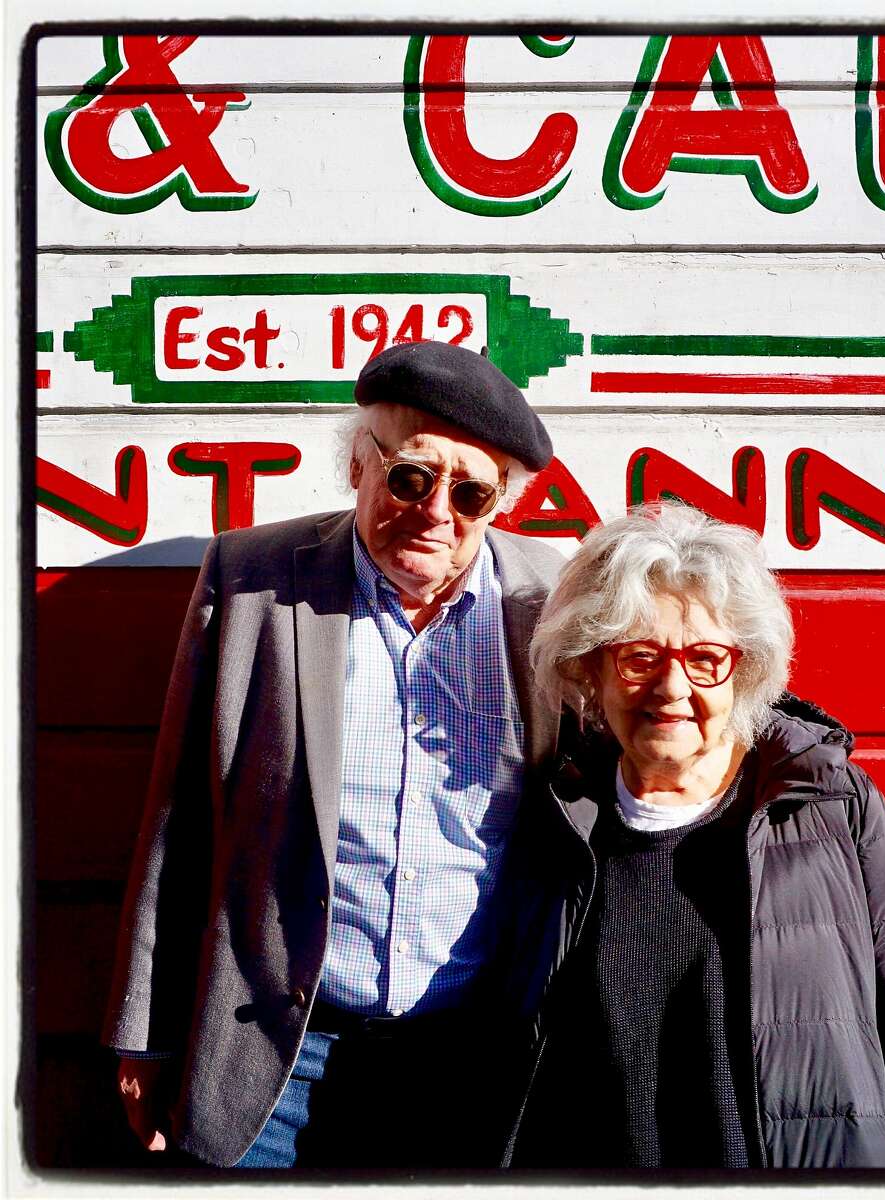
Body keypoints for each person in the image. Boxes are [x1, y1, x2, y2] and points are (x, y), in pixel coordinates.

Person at [103, 340, 565, 1168]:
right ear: (359, 461)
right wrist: (146, 1026)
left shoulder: (549, 595)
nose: (436, 512)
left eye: (472, 493)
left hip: (474, 1057)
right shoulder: (251, 577)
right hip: (277, 1053)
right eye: (413, 477)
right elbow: (180, 813)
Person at [503, 504, 885, 1169]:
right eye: (638, 657)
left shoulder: (825, 803)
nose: (671, 686)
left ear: (744, 670)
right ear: (592, 666)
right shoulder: (563, 818)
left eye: (706, 657)